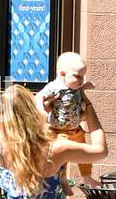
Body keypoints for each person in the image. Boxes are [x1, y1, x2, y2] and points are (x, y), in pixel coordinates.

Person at [35, 51, 100, 187]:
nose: (81, 80)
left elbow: (82, 84)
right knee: (61, 158)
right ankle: (62, 179)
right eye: (77, 76)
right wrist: (42, 108)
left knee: (85, 153)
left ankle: (87, 177)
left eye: (82, 77)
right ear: (63, 74)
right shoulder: (55, 86)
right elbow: (39, 96)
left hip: (76, 130)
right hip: (59, 131)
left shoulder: (76, 85)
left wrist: (87, 85)